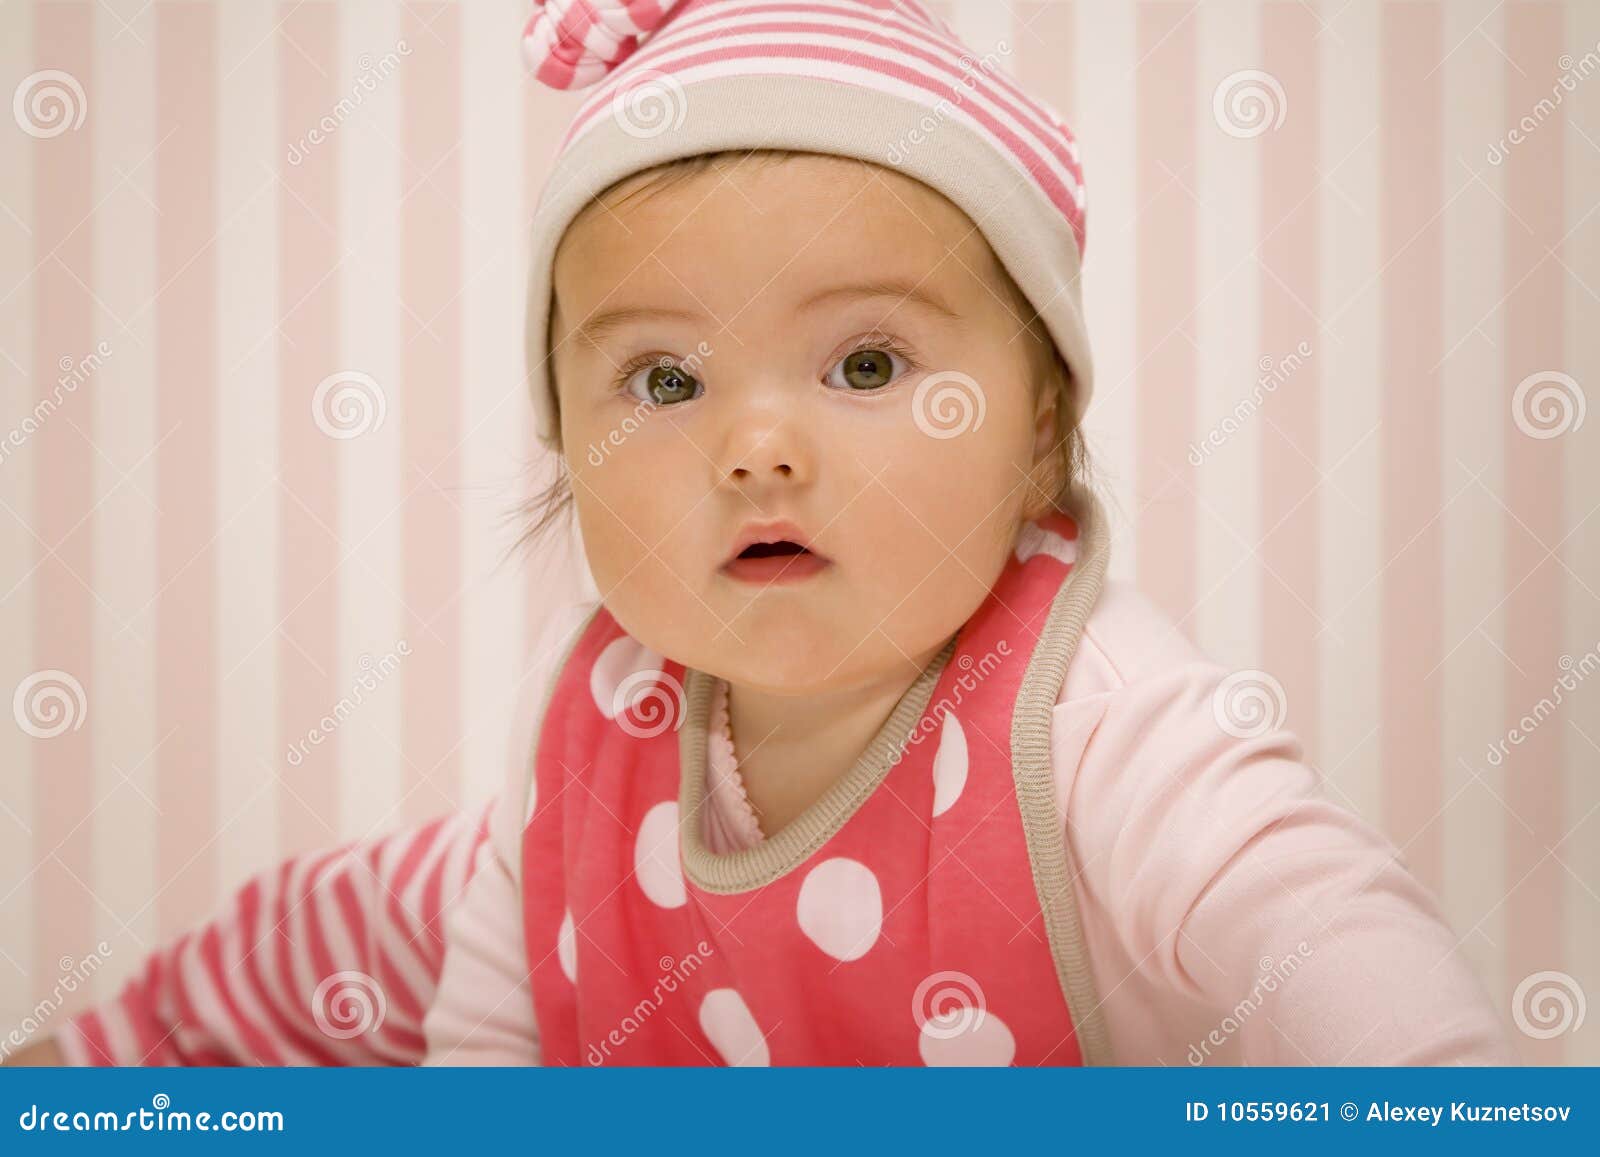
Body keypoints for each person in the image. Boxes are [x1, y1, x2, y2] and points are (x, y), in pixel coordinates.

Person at [17, 0, 1515, 1067]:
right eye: (663, 381)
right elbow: (497, 1042)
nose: (758, 445)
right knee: (342, 934)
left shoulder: (1101, 719)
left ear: (1040, 427)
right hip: (369, 933)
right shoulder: (589, 718)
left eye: (867, 366)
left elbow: (1331, 940)